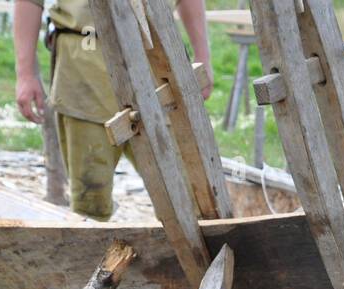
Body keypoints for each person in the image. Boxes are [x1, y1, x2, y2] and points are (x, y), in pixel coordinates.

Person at [13, 0, 213, 220]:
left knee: (187, 202)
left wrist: (202, 56)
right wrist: (25, 73)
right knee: (89, 204)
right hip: (84, 70)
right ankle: (92, 252)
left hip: (156, 68)